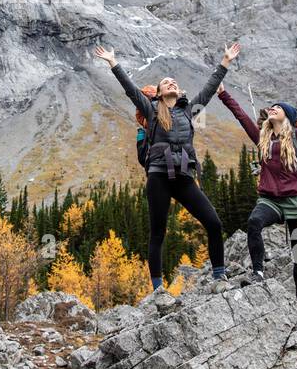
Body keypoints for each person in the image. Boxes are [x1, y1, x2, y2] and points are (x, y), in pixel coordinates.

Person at [93, 43, 241, 293]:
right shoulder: (150, 110)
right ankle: (158, 289)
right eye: (166, 82)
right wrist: (112, 62)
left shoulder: (189, 110)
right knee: (158, 232)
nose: (171, 83)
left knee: (214, 223)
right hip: (159, 176)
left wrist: (225, 61)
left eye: (174, 81)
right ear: (159, 93)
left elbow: (209, 88)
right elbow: (130, 90)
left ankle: (219, 276)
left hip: (183, 176)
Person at [217, 67, 297, 302]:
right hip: (270, 200)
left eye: (279, 107)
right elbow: (241, 115)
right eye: (272, 107)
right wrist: (223, 94)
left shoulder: (296, 138)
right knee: (254, 222)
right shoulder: (262, 140)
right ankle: (258, 273)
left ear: (289, 118)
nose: (273, 108)